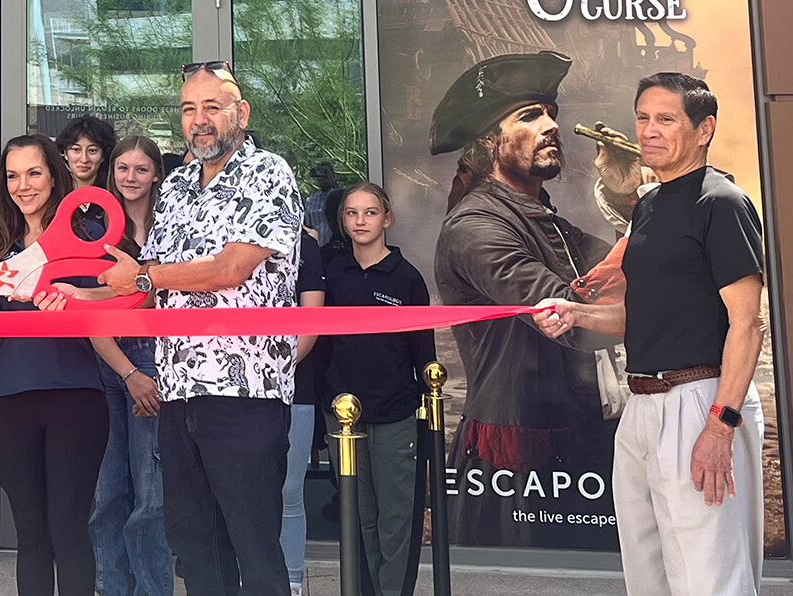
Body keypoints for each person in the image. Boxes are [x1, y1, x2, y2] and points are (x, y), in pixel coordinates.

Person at [68, 61, 303, 596]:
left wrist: (143, 275)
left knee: (256, 553)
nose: (199, 120)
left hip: (245, 394)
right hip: (177, 393)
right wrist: (81, 298)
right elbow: (147, 287)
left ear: (241, 113)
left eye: (212, 107)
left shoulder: (268, 172)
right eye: (188, 109)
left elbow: (231, 268)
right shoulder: (173, 186)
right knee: (196, 552)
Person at [535, 73, 766, 596]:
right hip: (642, 406)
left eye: (666, 119)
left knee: (710, 579)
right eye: (643, 118)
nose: (649, 131)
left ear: (704, 129)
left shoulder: (722, 202)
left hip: (701, 399)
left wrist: (720, 427)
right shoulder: (650, 205)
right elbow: (641, 315)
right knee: (648, 578)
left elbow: (748, 324)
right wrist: (575, 313)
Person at [429, 52, 620, 549]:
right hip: (517, 455)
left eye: (550, 113)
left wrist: (626, 199)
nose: (550, 125)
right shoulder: (476, 226)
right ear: (489, 142)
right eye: (530, 116)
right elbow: (568, 315)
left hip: (577, 437)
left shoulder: (544, 217)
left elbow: (635, 271)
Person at [0, 135, 107, 595]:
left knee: (69, 531)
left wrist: (77, 297)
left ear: (55, 176)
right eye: (13, 176)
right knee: (32, 537)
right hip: (11, 400)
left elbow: (121, 299)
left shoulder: (87, 233)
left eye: (34, 173)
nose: (23, 185)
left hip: (75, 397)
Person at [323, 183, 430, 596]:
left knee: (395, 516)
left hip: (394, 414)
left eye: (370, 212)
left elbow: (423, 352)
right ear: (343, 221)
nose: (360, 221)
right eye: (352, 213)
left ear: (387, 218)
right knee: (357, 514)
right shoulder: (333, 274)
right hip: (342, 416)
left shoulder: (406, 278)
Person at [88, 135, 176, 596]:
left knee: (151, 497)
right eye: (123, 168)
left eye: (142, 169)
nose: (131, 177)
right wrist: (129, 374)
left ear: (156, 174)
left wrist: (144, 374)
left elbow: (167, 297)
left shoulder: (173, 224)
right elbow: (89, 312)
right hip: (108, 363)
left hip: (158, 359)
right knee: (107, 495)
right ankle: (112, 588)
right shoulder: (95, 230)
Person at [281, 200, 330, 596]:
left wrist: (275, 370)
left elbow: (311, 322)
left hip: (294, 384)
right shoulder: (221, 243)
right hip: (235, 391)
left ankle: (292, 581)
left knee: (289, 491)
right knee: (241, 493)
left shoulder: (304, 246)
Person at [57, 115, 117, 190]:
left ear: (103, 155)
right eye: (76, 149)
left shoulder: (114, 191)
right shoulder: (55, 190)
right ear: (65, 153)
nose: (84, 159)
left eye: (92, 150)